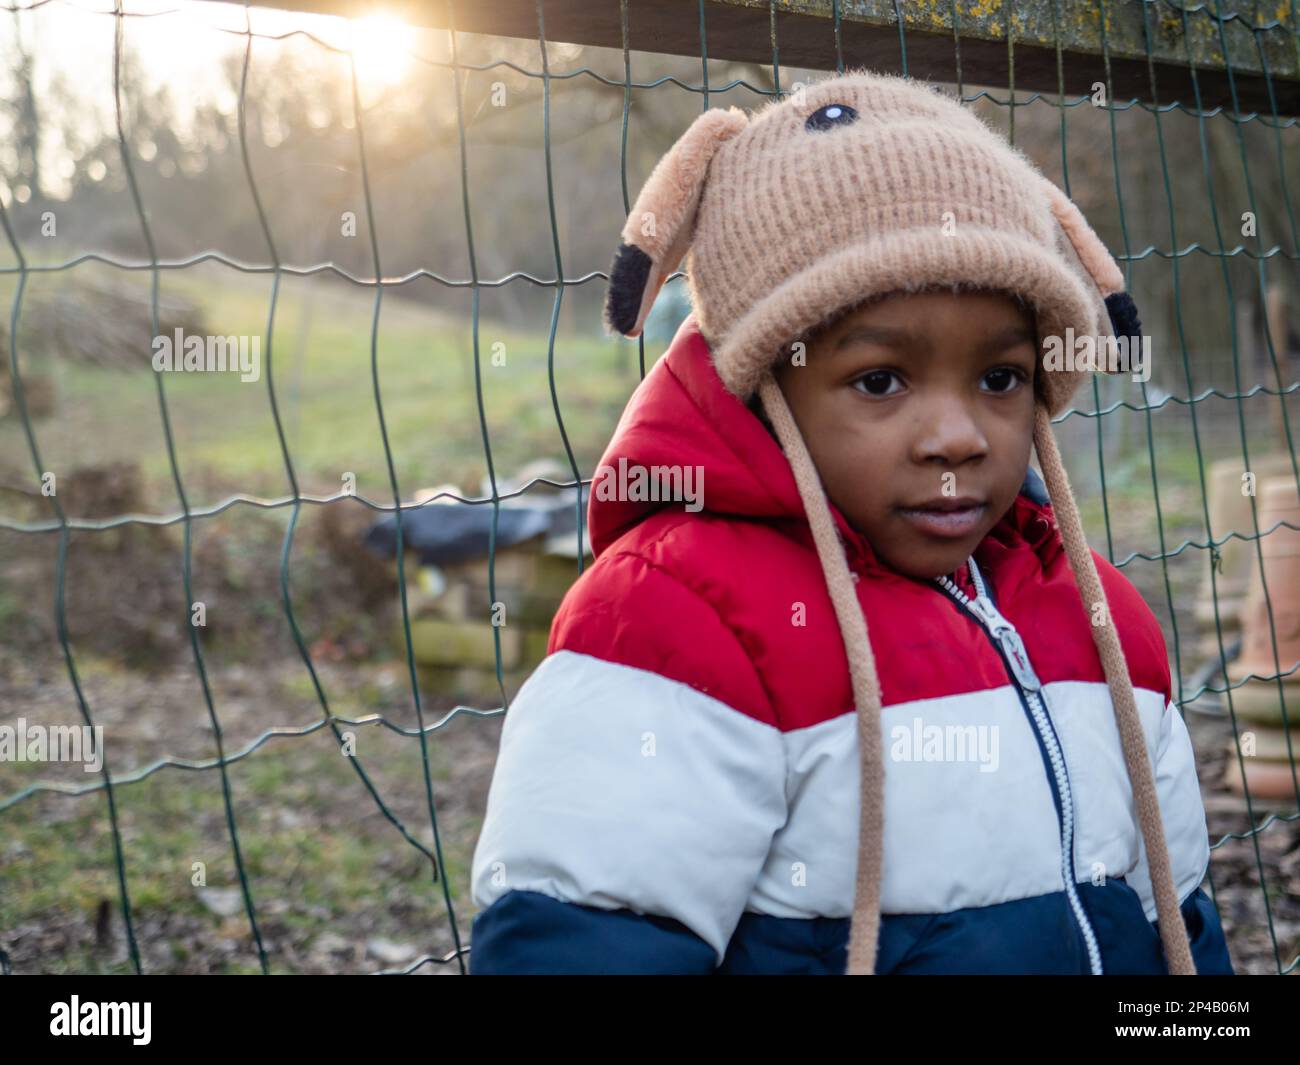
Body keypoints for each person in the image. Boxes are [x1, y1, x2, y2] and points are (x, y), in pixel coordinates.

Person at [465, 69, 1234, 975]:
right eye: (880, 380)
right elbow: (587, 942)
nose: (956, 435)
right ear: (765, 380)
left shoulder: (1103, 621)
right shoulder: (672, 622)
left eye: (1000, 378)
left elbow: (1176, 921)